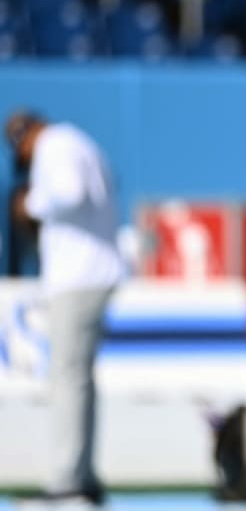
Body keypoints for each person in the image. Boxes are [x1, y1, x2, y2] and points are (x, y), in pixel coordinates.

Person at [6, 110, 126, 506]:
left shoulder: (55, 147)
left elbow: (70, 194)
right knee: (79, 380)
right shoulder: (78, 142)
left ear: (27, 137)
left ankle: (66, 482)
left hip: (79, 277)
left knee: (67, 379)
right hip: (92, 273)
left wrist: (32, 204)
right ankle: (83, 478)